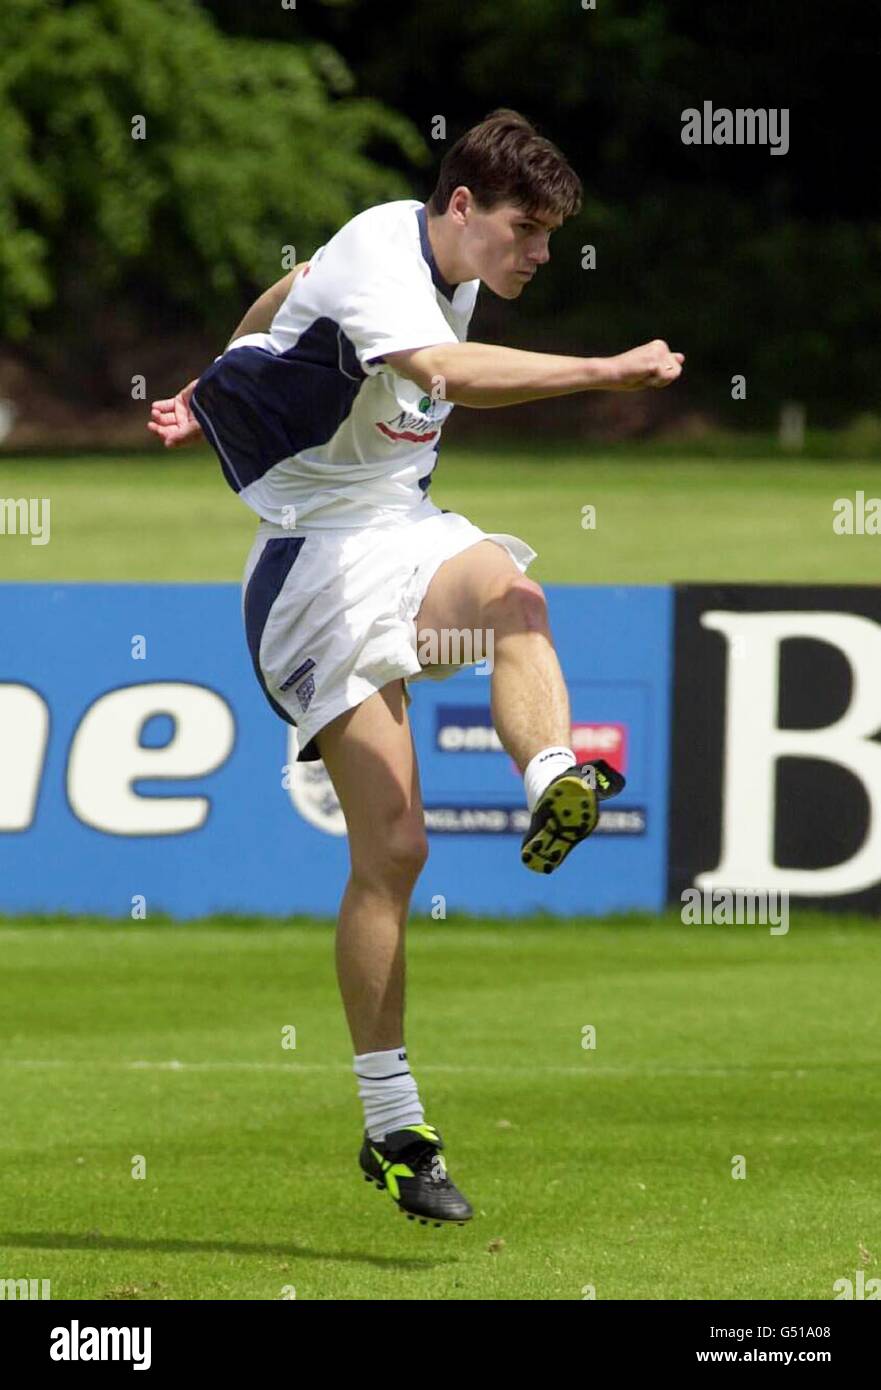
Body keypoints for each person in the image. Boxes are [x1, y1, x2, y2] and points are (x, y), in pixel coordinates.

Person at [148, 108, 683, 1228]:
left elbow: (287, 288)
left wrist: (214, 376)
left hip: (401, 525)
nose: (538, 253)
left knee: (515, 597)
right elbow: (444, 369)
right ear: (457, 208)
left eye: (544, 236)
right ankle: (392, 1128)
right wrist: (604, 369)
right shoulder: (379, 254)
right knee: (394, 848)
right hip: (309, 569)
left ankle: (554, 786)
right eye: (524, 231)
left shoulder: (433, 264)